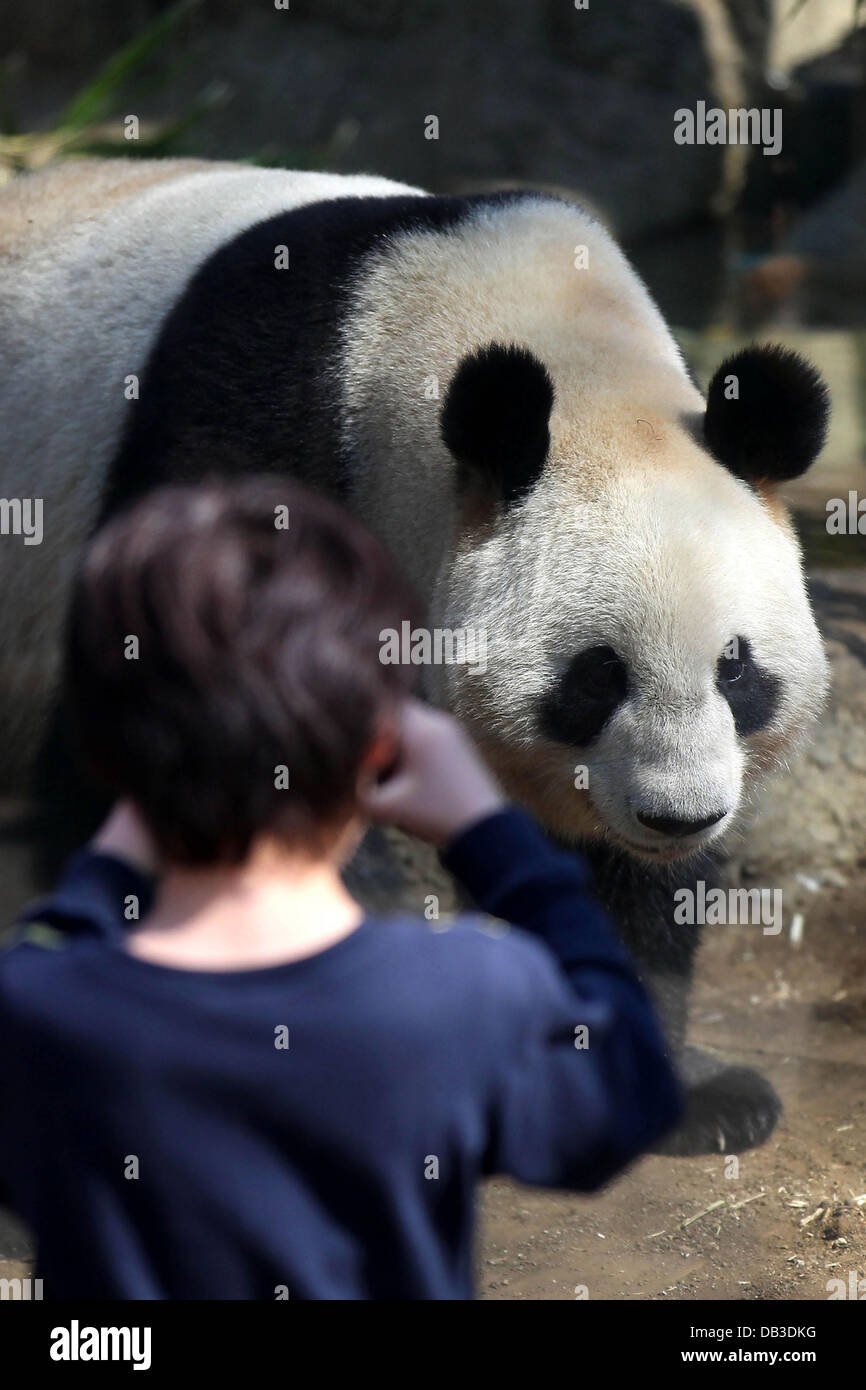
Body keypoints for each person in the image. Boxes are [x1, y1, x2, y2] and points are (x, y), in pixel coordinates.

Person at [0, 477, 681, 1300]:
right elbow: (632, 1087)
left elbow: (44, 969)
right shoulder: (463, 996)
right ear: (382, 748)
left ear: (101, 749)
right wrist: (495, 839)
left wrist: (102, 874)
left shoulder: (40, 1008)